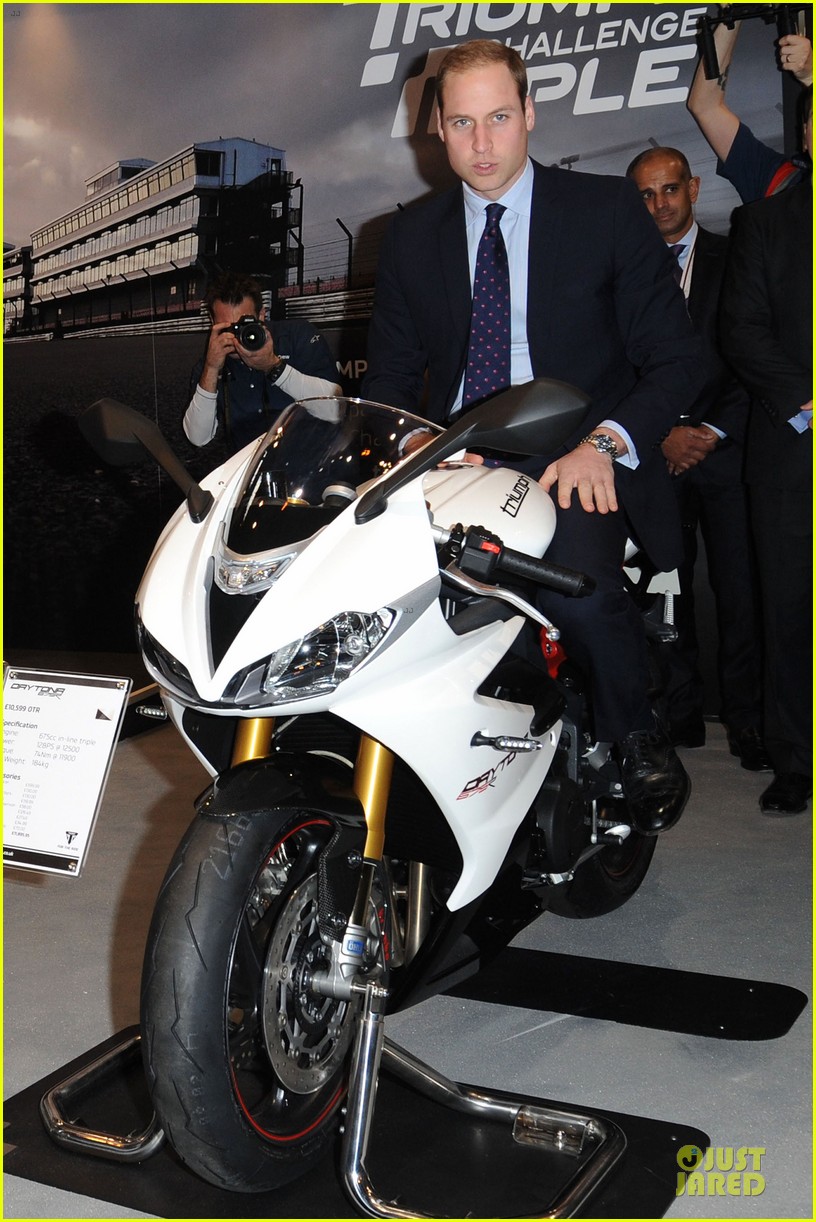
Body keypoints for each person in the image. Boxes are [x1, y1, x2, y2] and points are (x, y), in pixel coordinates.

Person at [362, 40, 703, 836]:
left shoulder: (604, 210)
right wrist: (411, 446)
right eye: (462, 123)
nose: (482, 143)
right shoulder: (408, 238)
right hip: (455, 454)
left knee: (573, 589)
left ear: (530, 114)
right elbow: (390, 378)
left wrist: (606, 443)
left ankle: (635, 735)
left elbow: (677, 359)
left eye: (499, 118)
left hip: (576, 452)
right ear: (437, 130)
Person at [626, 146, 769, 772]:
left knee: (740, 593)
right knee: (664, 592)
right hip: (653, 454)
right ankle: (677, 715)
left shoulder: (735, 257)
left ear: (694, 187)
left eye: (669, 188)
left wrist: (709, 430)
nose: (660, 203)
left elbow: (754, 354)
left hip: (727, 453)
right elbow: (614, 362)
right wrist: (660, 434)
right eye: (646, 194)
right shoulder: (625, 270)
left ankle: (748, 721)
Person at [719, 88, 813, 816]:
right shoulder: (764, 222)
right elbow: (742, 331)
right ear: (807, 133)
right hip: (792, 451)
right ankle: (796, 761)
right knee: (789, 614)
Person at [183, 272, 341, 454]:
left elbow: (335, 409)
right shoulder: (213, 361)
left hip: (309, 462)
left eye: (244, 325)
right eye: (228, 328)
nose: (236, 337)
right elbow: (198, 437)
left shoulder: (297, 337)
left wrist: (274, 367)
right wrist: (211, 368)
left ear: (261, 315)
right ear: (212, 322)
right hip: (251, 467)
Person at [687, 19, 812, 202]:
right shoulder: (779, 181)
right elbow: (706, 107)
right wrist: (731, 16)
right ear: (805, 135)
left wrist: (811, 78)